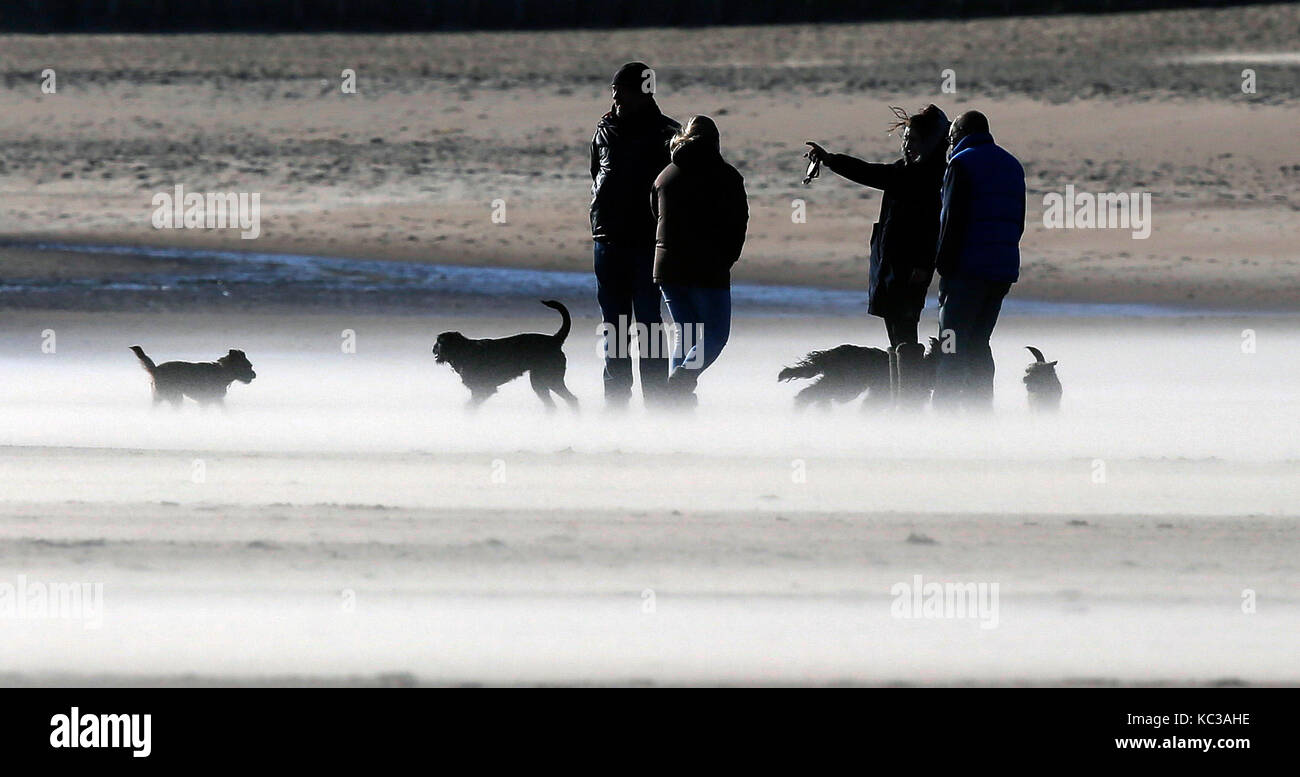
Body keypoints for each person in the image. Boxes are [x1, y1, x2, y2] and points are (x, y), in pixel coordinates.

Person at [804, 104, 950, 407]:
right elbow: (872, 172)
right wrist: (831, 160)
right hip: (889, 267)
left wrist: (923, 267)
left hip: (908, 270)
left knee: (905, 336)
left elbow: (870, 174)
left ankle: (909, 403)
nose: (908, 145)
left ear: (932, 143)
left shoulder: (929, 177)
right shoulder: (906, 171)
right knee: (898, 337)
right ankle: (904, 400)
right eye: (906, 139)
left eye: (915, 140)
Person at [589, 61, 680, 410]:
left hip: (646, 242)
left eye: (621, 91)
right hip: (607, 240)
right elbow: (596, 173)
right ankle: (616, 402)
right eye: (613, 92)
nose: (615, 99)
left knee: (649, 323)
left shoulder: (667, 133)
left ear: (643, 92)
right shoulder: (603, 130)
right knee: (612, 324)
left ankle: (656, 400)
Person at [650, 115, 748, 407]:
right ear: (716, 142)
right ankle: (680, 381)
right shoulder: (727, 176)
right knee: (716, 335)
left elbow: (655, 216)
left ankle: (674, 401)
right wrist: (727, 259)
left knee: (686, 332)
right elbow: (738, 222)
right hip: (708, 268)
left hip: (667, 268)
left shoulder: (665, 176)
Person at [932, 110, 1026, 411]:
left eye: (950, 138)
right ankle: (980, 412)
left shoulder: (961, 164)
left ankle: (944, 413)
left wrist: (943, 266)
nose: (948, 144)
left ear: (958, 135)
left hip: (966, 269)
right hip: (1001, 269)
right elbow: (1018, 220)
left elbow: (951, 220)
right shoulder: (1012, 164)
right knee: (978, 342)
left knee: (951, 344)